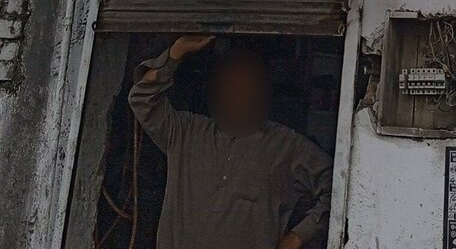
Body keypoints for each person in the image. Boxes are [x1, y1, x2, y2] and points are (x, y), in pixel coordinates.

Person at [129, 34, 333, 249]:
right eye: (230, 83)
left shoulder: (287, 146)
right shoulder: (186, 132)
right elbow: (142, 99)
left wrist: (295, 238)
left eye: (247, 84)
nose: (237, 92)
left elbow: (338, 188)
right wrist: (176, 52)